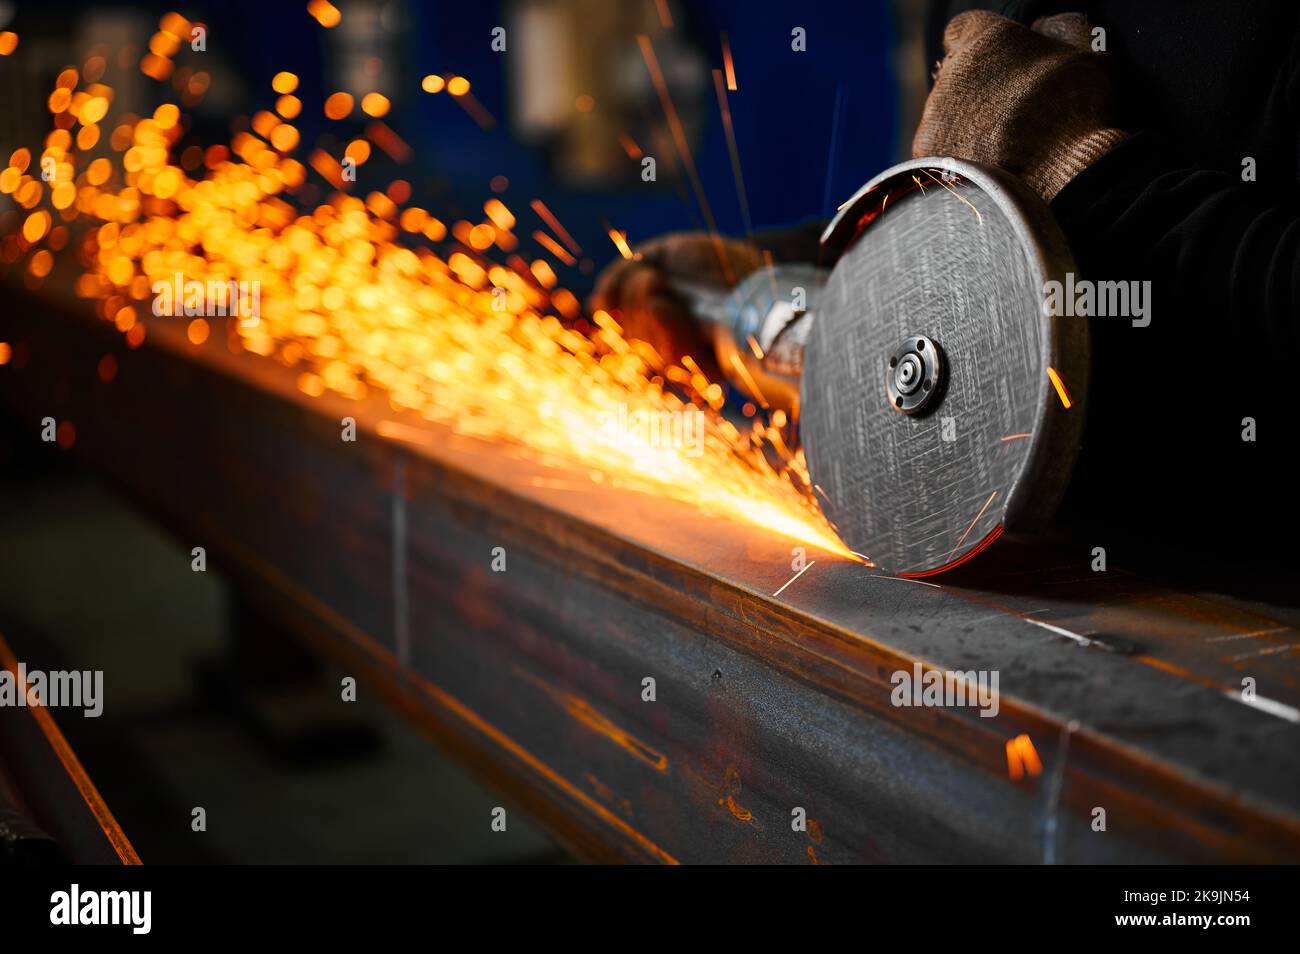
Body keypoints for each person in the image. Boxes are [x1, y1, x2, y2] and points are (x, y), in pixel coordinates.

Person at [591, 3, 1300, 577]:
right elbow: (967, 223)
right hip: (1014, 581)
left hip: (1245, 638)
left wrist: (1085, 176)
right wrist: (808, 261)